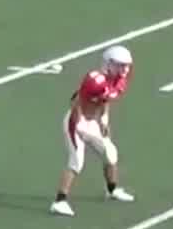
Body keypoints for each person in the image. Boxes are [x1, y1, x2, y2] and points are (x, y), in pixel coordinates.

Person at [51, 45, 138, 216]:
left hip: (92, 122)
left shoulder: (119, 81)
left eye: (126, 65)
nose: (125, 69)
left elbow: (106, 99)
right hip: (76, 121)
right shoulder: (95, 80)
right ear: (109, 63)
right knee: (77, 161)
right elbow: (75, 100)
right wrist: (78, 122)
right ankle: (59, 201)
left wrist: (104, 120)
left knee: (110, 153)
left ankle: (112, 190)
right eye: (120, 65)